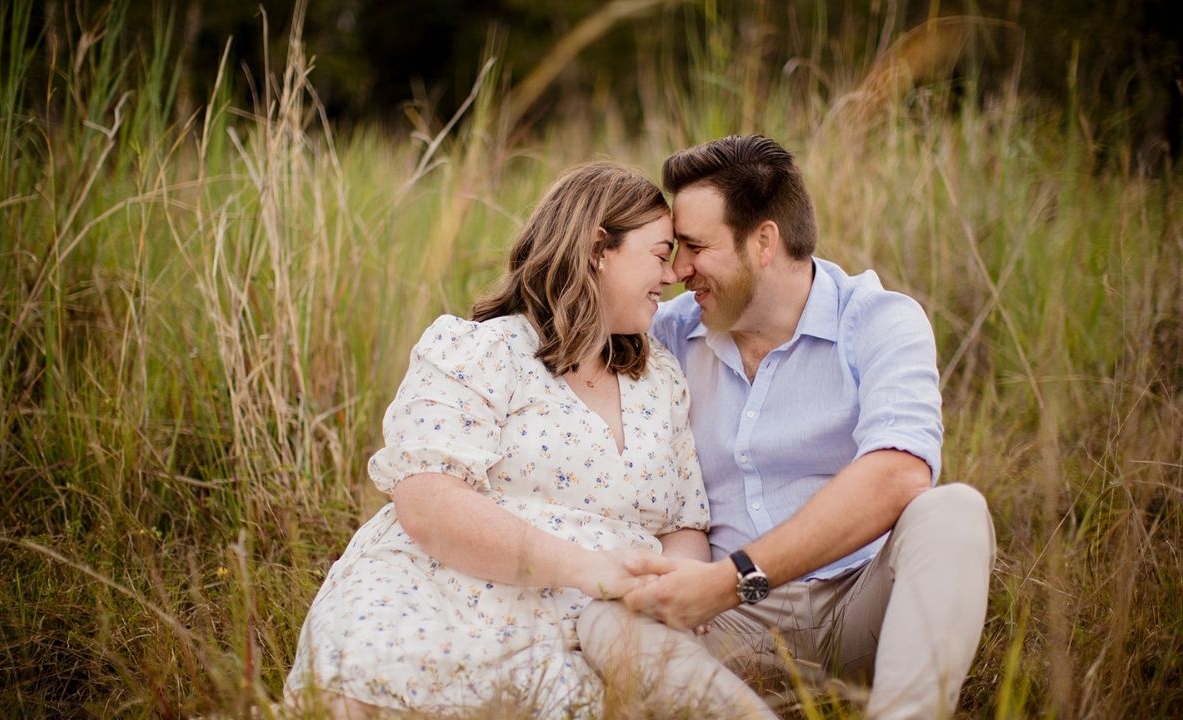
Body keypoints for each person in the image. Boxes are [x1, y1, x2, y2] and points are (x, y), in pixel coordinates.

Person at [577, 135, 996, 720]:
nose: (677, 271)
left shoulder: (878, 321)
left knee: (954, 512)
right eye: (674, 249)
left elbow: (899, 475)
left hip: (860, 602)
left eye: (695, 246)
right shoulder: (668, 334)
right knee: (605, 622)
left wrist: (731, 579)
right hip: (731, 628)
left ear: (764, 241)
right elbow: (565, 336)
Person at [284, 162, 712, 719]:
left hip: (598, 625)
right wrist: (588, 569)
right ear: (595, 249)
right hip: (441, 597)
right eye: (659, 254)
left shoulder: (660, 379)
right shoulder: (481, 352)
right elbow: (428, 504)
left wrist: (669, 594)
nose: (673, 275)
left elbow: (684, 524)